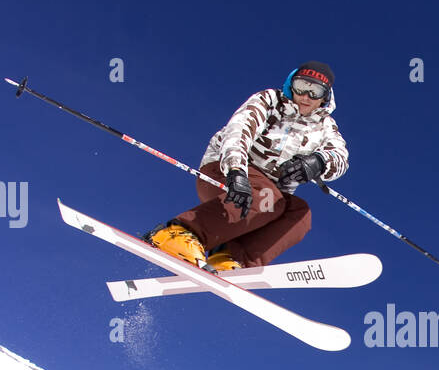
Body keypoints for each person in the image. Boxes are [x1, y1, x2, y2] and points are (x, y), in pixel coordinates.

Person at [144, 61, 349, 271]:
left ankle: (231, 257)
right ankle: (179, 232)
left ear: (325, 96)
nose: (305, 96)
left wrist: (320, 161)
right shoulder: (270, 101)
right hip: (224, 173)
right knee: (268, 195)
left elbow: (340, 156)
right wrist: (236, 170)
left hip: (267, 201)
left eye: (314, 91)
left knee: (299, 214)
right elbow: (239, 130)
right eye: (301, 87)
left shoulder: (325, 127)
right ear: (291, 85)